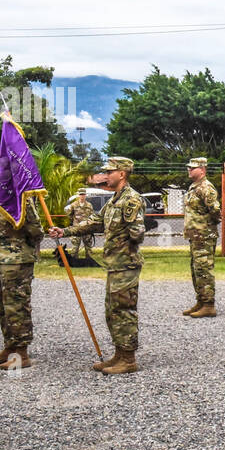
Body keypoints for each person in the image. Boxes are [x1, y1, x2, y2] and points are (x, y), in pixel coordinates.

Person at [50, 156, 146, 374]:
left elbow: (138, 233)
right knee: (112, 311)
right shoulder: (114, 200)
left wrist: (123, 242)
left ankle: (129, 359)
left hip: (126, 264)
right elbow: (95, 222)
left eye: (110, 171)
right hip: (114, 264)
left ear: (122, 174)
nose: (105, 175)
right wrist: (65, 231)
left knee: (124, 311)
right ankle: (119, 354)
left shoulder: (131, 200)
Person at [0, 157, 43, 371]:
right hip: (1, 259)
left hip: (17, 261)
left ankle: (22, 353)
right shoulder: (3, 194)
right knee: (4, 304)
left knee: (16, 306)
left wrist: (20, 245)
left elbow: (36, 228)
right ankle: (9, 347)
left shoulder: (19, 196)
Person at [182, 157, 221, 318]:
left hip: (204, 235)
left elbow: (215, 210)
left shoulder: (206, 187)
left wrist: (206, 226)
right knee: (196, 269)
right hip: (195, 236)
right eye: (189, 168)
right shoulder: (193, 187)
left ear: (202, 170)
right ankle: (201, 300)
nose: (189, 170)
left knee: (204, 269)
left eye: (193, 168)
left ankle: (209, 305)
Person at [67, 188, 95, 259]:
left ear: (85, 195)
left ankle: (89, 261)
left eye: (83, 194)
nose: (82, 196)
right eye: (80, 194)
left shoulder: (89, 205)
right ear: (78, 195)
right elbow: (69, 215)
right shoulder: (73, 205)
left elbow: (92, 216)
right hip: (77, 228)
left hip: (86, 228)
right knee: (75, 246)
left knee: (88, 246)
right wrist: (74, 223)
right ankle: (74, 261)